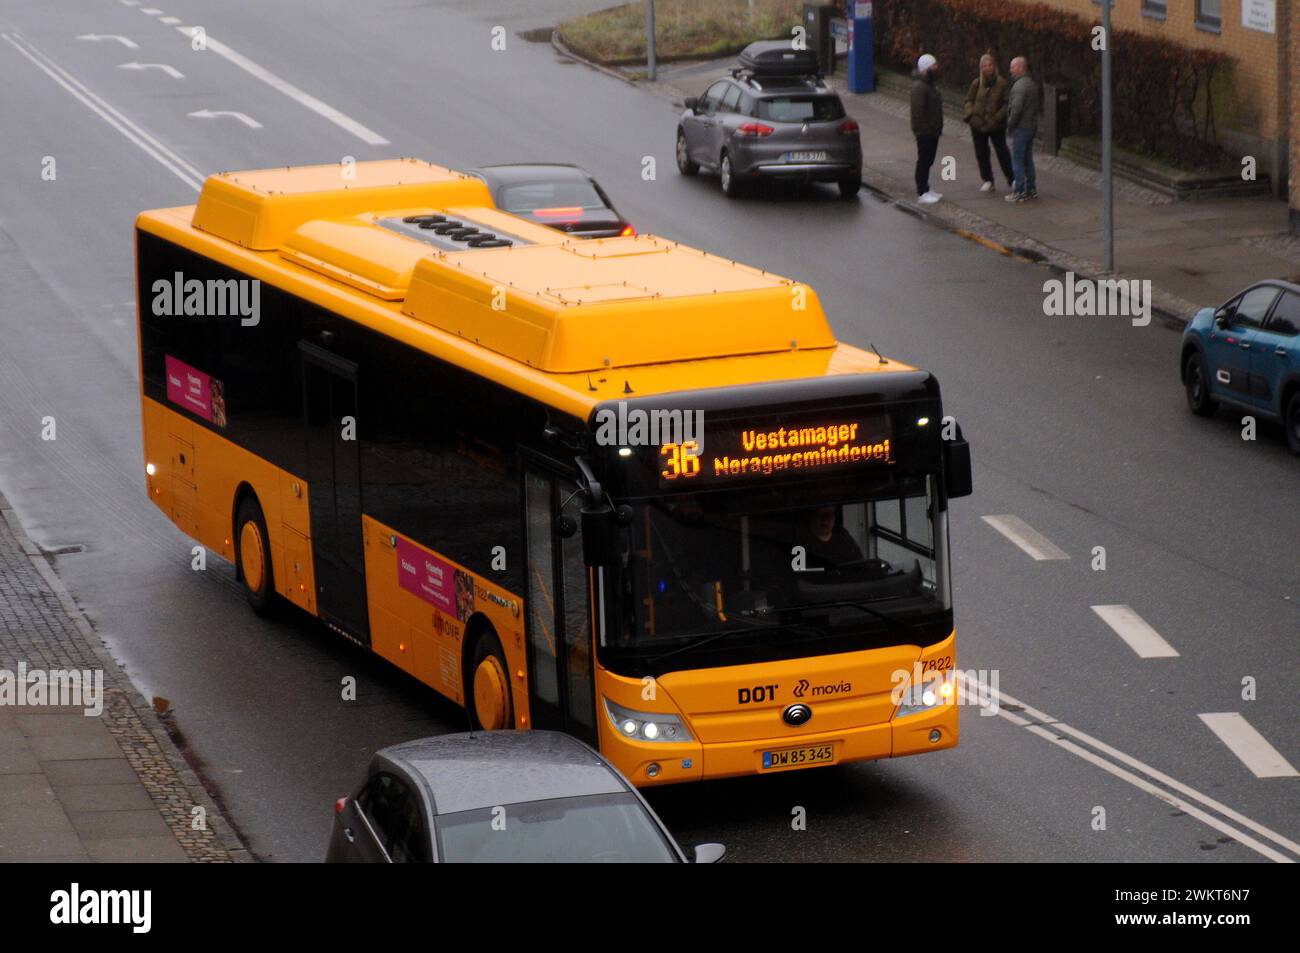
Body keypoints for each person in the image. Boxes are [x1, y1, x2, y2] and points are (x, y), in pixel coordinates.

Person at [964, 53, 1013, 193]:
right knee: (981, 153)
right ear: (981, 68)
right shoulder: (976, 83)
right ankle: (988, 179)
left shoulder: (1002, 83)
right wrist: (970, 114)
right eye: (985, 66)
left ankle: (1012, 179)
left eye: (990, 65)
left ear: (994, 66)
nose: (988, 68)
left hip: (996, 125)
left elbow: (1006, 104)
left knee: (1002, 152)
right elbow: (968, 100)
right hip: (978, 124)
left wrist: (997, 117)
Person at [910, 53, 944, 205]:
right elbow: (918, 112)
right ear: (926, 68)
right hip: (925, 132)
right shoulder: (920, 87)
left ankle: (926, 188)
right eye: (933, 66)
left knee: (928, 160)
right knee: (924, 160)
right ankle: (921, 191)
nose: (936, 68)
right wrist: (927, 128)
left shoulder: (929, 84)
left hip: (932, 130)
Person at [1005, 56, 1039, 202]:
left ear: (1020, 68)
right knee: (1028, 159)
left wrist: (1010, 125)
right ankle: (1031, 188)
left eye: (1013, 67)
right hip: (1031, 127)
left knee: (1017, 160)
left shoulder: (1019, 86)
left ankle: (1019, 191)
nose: (1010, 70)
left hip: (1021, 128)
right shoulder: (1031, 84)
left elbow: (1016, 109)